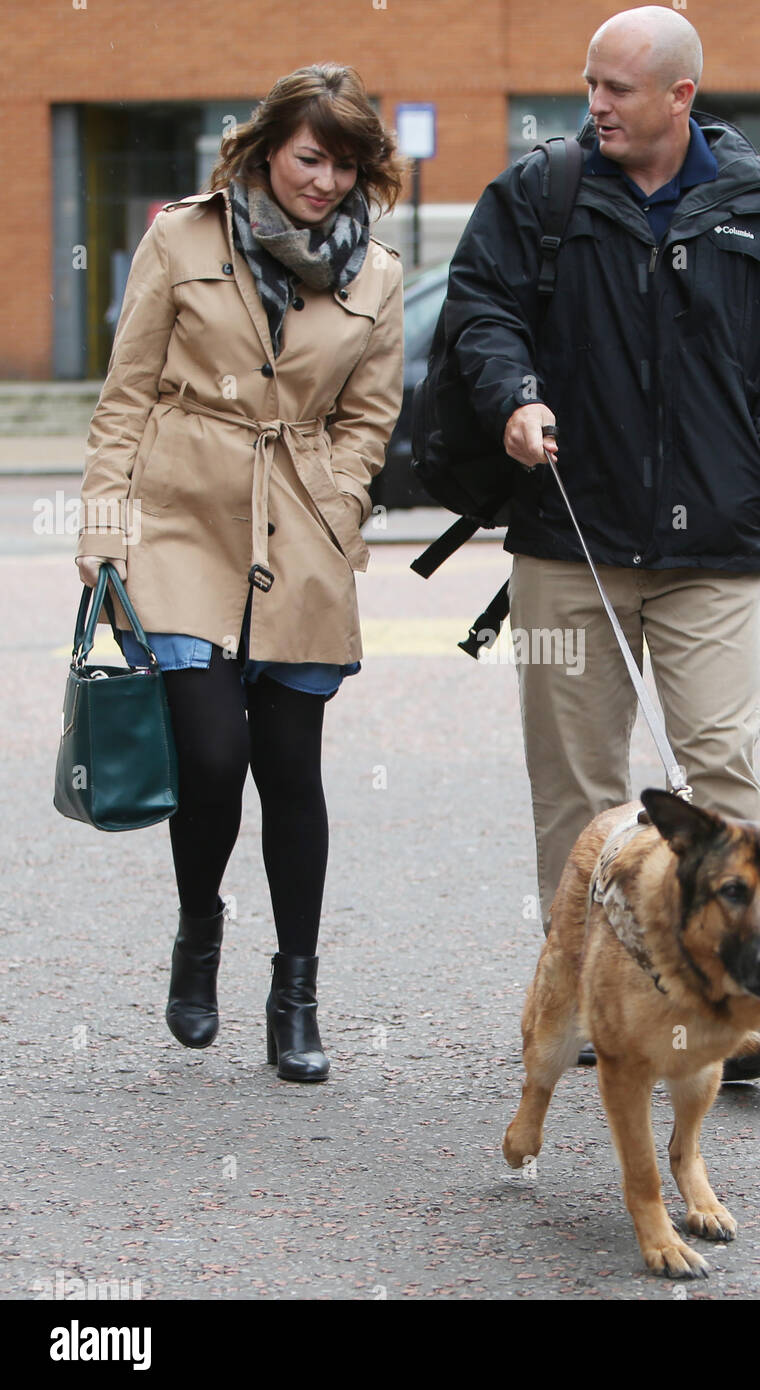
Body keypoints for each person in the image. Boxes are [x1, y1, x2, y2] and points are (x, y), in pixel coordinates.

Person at [445, 6, 760, 1078]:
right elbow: (477, 312)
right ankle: (587, 996)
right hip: (565, 533)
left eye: (617, 88)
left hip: (711, 547)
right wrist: (511, 398)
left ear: (680, 97)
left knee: (717, 771)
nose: (595, 105)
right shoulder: (541, 196)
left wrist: (756, 461)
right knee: (577, 790)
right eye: (588, 84)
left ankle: (723, 995)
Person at [75, 63, 405, 1082]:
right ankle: (198, 930)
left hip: (302, 530)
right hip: (180, 519)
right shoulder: (181, 236)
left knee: (290, 769)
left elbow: (369, 419)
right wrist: (102, 525)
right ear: (266, 148)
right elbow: (126, 390)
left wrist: (342, 504)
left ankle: (295, 994)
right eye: (312, 157)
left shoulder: (378, 275)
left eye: (346, 167)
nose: (325, 182)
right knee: (211, 754)